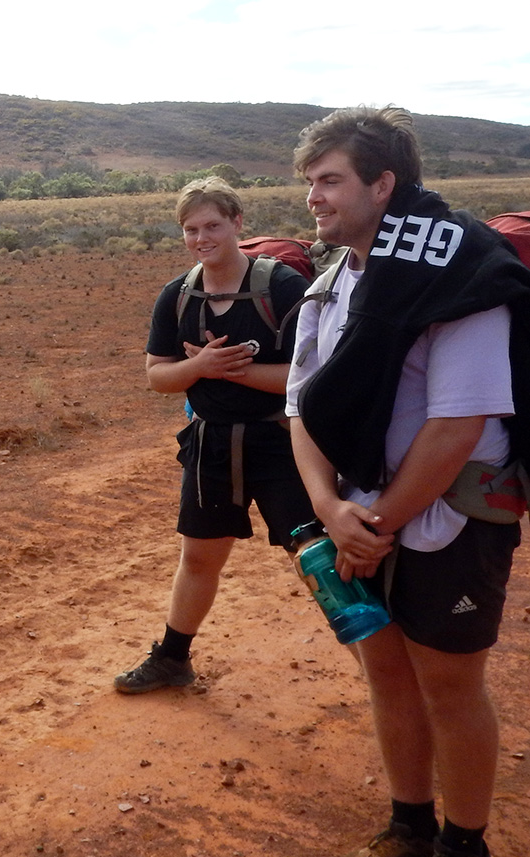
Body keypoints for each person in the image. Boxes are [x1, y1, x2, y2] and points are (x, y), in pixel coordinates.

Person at [284, 107, 530, 857]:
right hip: (358, 516)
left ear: (383, 183)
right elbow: (299, 410)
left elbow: (459, 424)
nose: (313, 197)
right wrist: (327, 511)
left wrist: (377, 522)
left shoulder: (461, 279)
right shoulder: (330, 282)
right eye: (309, 181)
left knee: (450, 684)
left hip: (445, 519)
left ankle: (468, 851)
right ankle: (409, 825)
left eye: (331, 180)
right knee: (385, 672)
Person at [114, 178, 315, 693]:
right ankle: (173, 659)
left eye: (212, 226)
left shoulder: (284, 288)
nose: (202, 238)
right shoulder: (179, 296)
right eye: (191, 229)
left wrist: (228, 372)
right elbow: (158, 376)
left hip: (283, 444)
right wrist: (201, 366)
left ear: (238, 223)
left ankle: (381, 669)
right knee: (199, 557)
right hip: (211, 444)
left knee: (317, 556)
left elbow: (309, 376)